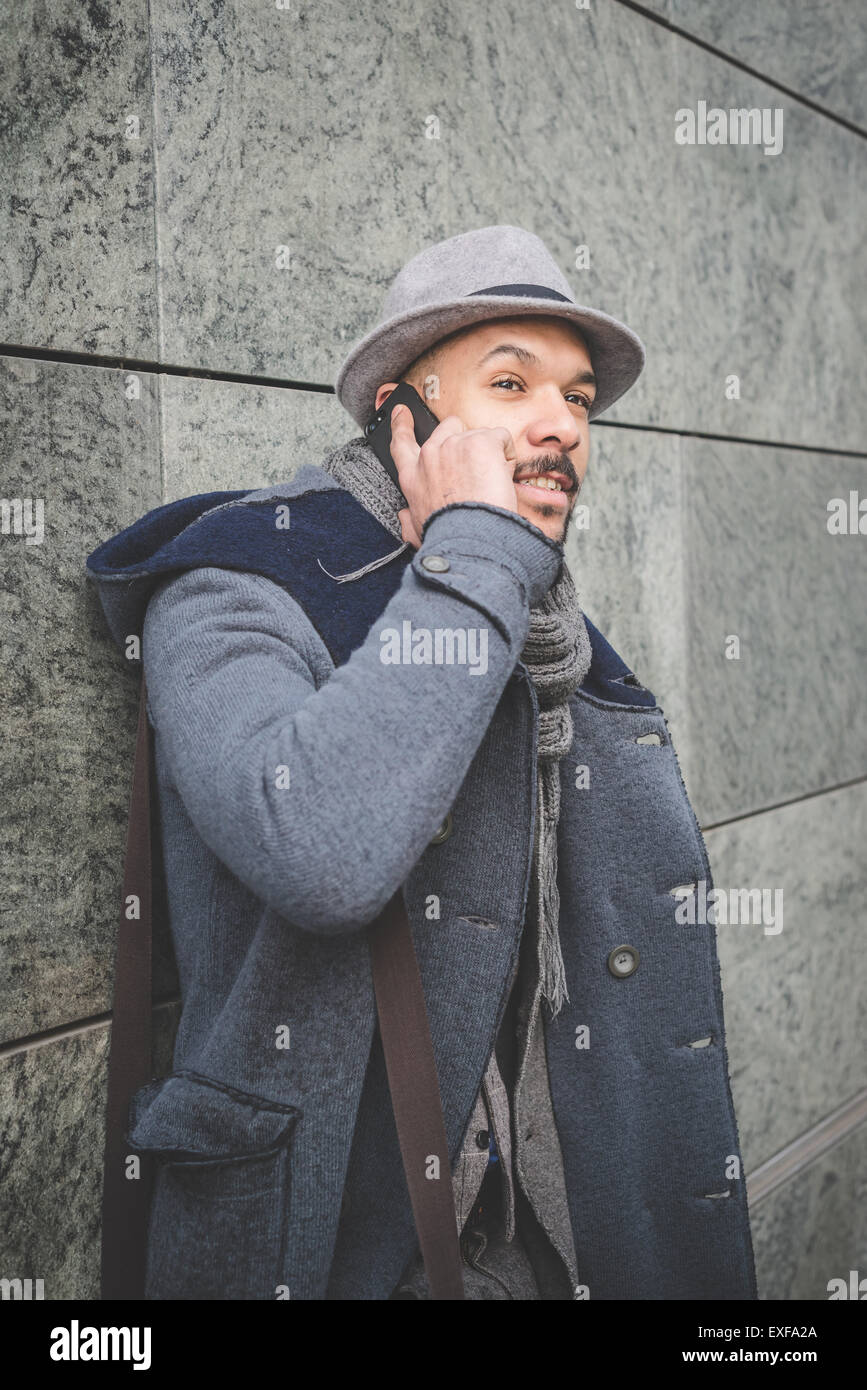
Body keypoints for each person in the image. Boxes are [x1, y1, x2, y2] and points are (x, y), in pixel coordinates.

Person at [86, 224, 758, 1300]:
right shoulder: (235, 583)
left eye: (579, 400)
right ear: (405, 413)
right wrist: (477, 546)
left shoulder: (550, 632)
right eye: (510, 383)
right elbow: (319, 850)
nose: (562, 428)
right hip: (330, 1250)